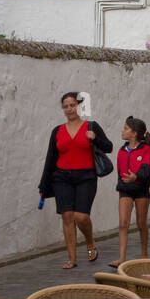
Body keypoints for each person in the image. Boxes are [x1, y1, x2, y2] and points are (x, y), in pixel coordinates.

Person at [38, 91, 114, 270]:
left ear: (78, 106)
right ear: (63, 109)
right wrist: (43, 184)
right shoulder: (57, 131)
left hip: (86, 176)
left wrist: (95, 139)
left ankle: (90, 243)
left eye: (72, 105)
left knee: (81, 216)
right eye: (66, 106)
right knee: (67, 216)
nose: (69, 109)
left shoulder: (91, 126)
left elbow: (109, 147)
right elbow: (50, 158)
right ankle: (72, 259)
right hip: (61, 177)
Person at [110, 116, 150, 267]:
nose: (122, 131)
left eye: (125, 128)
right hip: (125, 190)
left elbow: (146, 171)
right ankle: (121, 258)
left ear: (134, 133)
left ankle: (144, 254)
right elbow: (120, 172)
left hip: (141, 190)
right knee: (123, 223)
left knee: (141, 223)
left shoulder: (146, 149)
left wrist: (136, 177)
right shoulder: (121, 150)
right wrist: (123, 183)